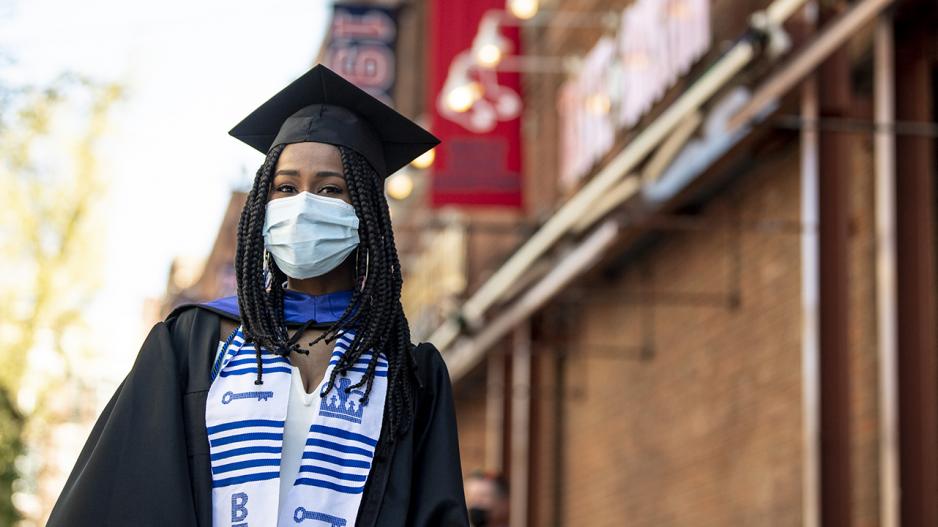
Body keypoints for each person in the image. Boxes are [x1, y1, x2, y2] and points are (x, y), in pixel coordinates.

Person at [48, 64, 470, 527]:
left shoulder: (407, 370)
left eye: (331, 189)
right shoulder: (196, 341)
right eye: (285, 188)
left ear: (366, 211)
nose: (303, 204)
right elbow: (126, 494)